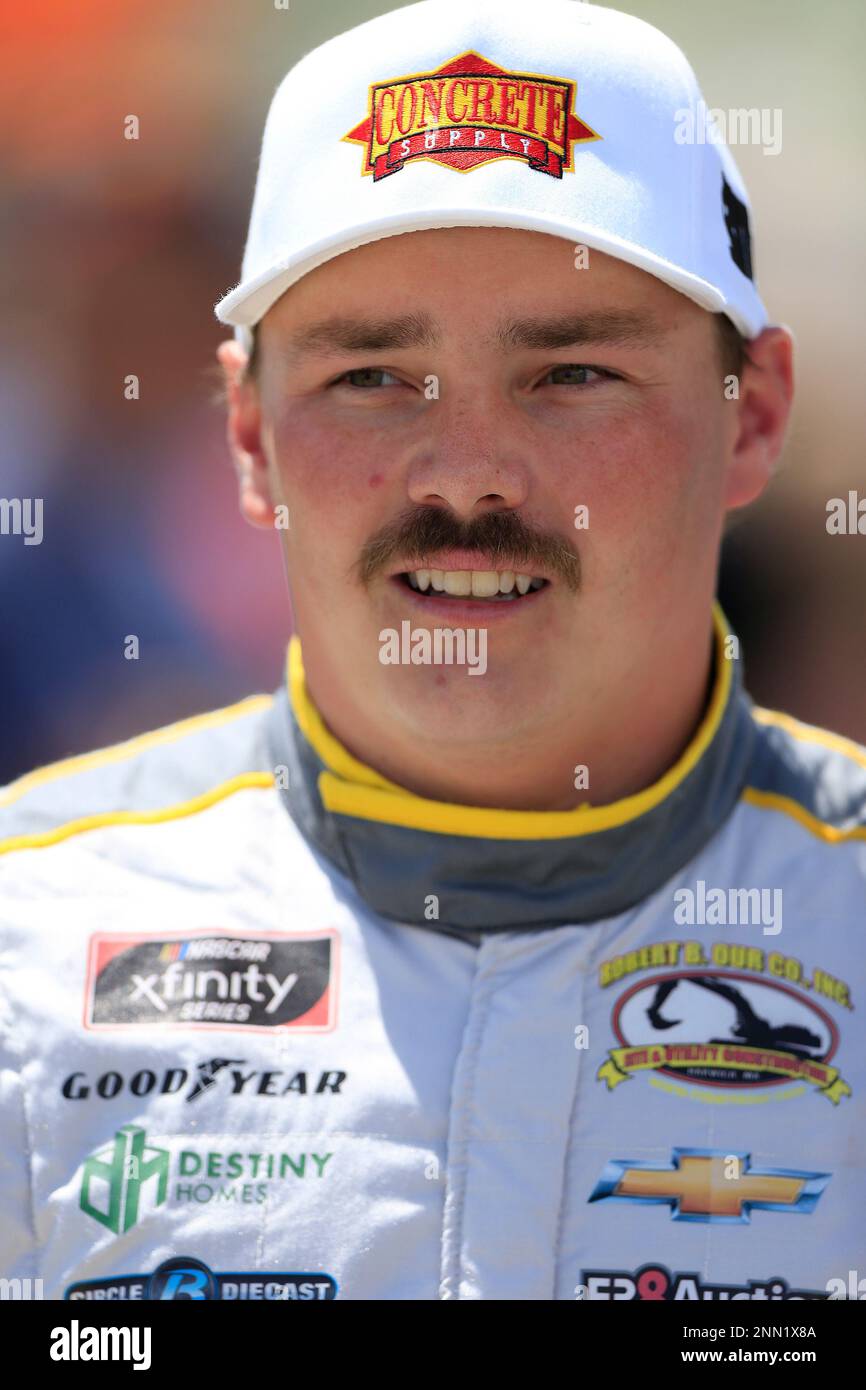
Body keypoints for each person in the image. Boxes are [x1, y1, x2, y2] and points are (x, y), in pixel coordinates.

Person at [1, 0, 863, 1303]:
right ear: (247, 436)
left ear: (752, 421)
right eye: (370, 377)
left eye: (569, 373)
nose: (464, 474)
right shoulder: (28, 936)